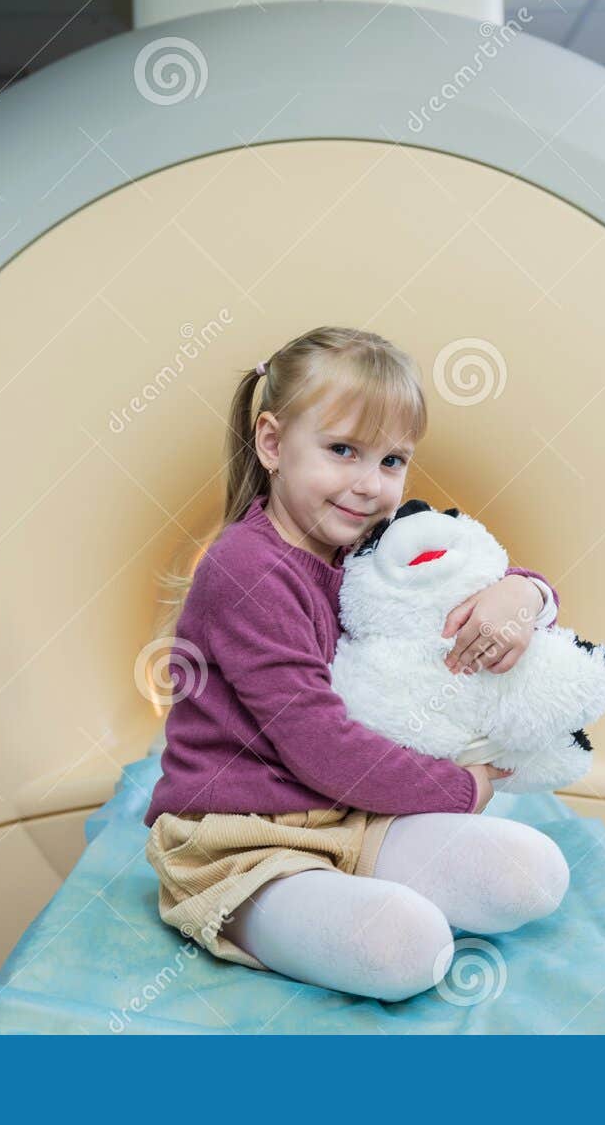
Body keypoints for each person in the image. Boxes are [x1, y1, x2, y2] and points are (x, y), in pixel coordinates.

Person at [143, 325, 571, 1002]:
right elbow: (322, 748)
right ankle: (282, 906)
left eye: (393, 461)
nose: (370, 486)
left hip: (350, 817)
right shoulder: (245, 569)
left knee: (530, 874)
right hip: (242, 840)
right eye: (343, 451)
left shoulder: (367, 545)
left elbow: (463, 564)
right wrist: (462, 789)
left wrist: (525, 591)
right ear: (273, 443)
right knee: (406, 950)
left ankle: (349, 886)